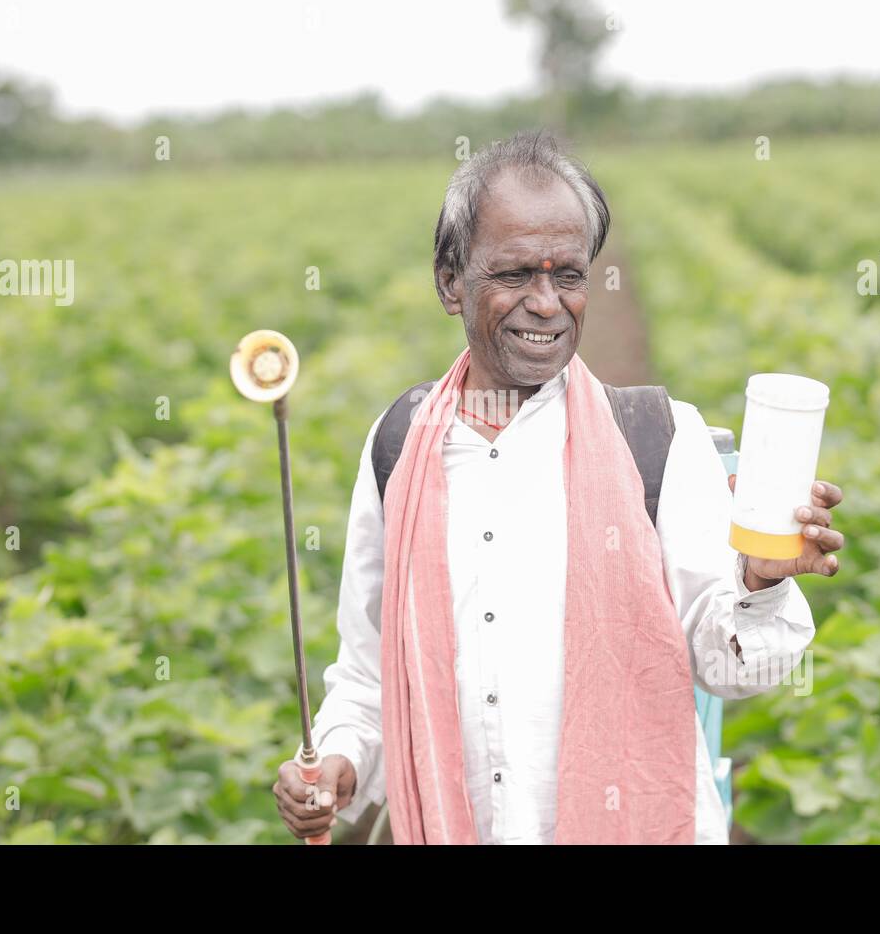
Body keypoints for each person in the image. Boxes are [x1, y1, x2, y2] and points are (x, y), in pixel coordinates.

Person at [273, 132, 845, 844]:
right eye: (514, 274)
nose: (546, 304)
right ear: (451, 281)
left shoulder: (656, 437)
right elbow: (369, 676)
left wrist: (760, 585)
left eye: (568, 275)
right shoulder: (400, 444)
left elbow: (735, 664)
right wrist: (335, 763)